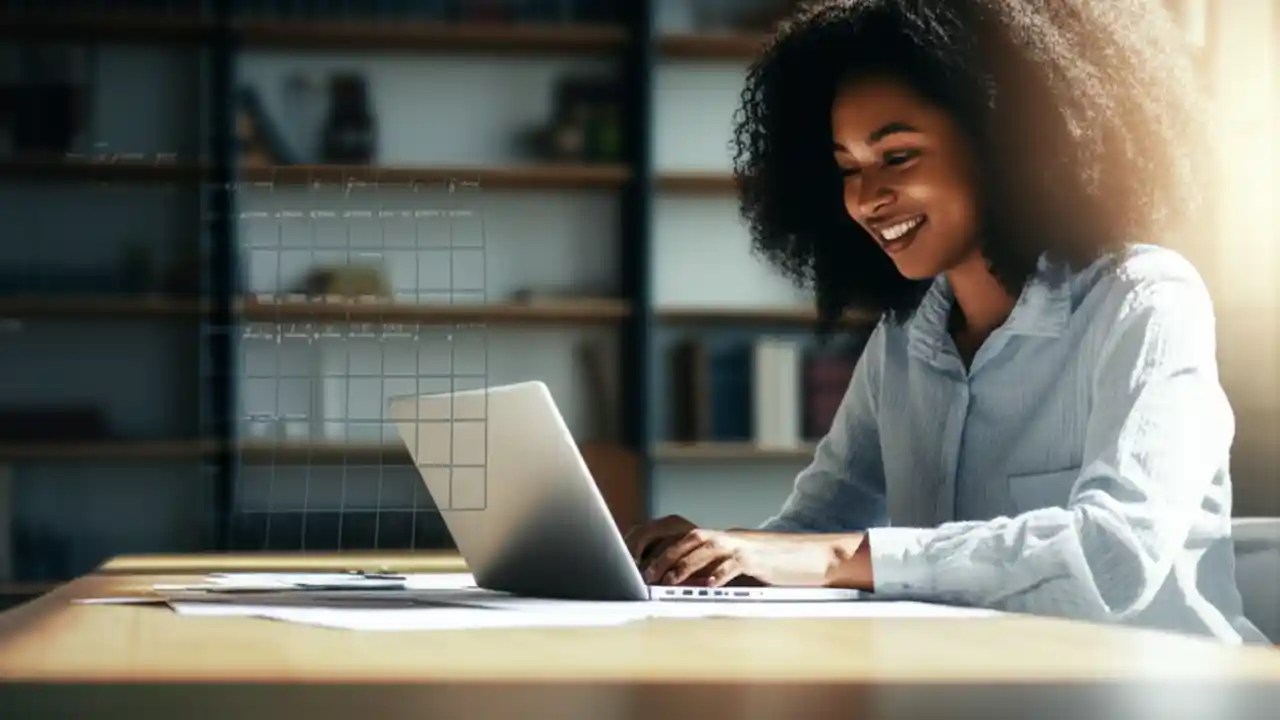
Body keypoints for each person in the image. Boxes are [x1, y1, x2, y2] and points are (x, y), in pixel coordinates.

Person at [625, 0, 1266, 643]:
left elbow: (1116, 555)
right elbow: (815, 529)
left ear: (1004, 144)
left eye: (897, 156)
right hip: (971, 685)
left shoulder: (1144, 300)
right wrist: (707, 560)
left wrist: (833, 558)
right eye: (846, 168)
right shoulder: (904, 339)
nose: (864, 198)